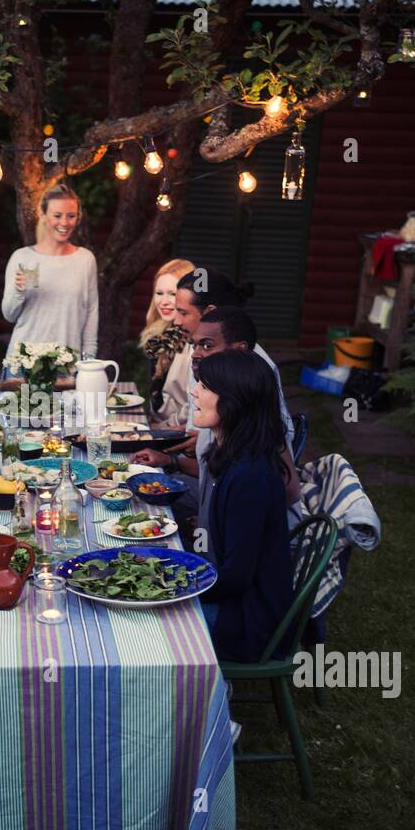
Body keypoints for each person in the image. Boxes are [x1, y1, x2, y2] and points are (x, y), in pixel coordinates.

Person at [138, 306, 299, 538]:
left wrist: (217, 525)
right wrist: (170, 461)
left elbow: (285, 490)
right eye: (194, 345)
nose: (195, 353)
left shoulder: (253, 415)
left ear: (239, 351)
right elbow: (214, 472)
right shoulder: (216, 409)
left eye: (207, 345)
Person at [191, 350, 296, 664]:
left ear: (234, 401)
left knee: (145, 623)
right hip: (233, 601)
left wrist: (176, 593)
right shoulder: (228, 456)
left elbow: (236, 577)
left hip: (247, 623)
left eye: (205, 387)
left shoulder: (250, 477)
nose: (195, 391)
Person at [1, 184, 99, 363]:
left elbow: (91, 312)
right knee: (22, 394)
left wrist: (89, 358)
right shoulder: (23, 258)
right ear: (43, 215)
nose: (64, 223)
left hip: (68, 363)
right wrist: (19, 291)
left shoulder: (85, 260)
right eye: (57, 215)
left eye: (71, 216)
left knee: (70, 393)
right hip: (23, 364)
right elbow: (9, 315)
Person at [140, 258, 195, 426]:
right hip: (157, 422)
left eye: (172, 294)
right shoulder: (159, 335)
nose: (164, 301)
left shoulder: (194, 342)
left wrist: (162, 428)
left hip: (178, 433)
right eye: (159, 293)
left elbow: (193, 406)